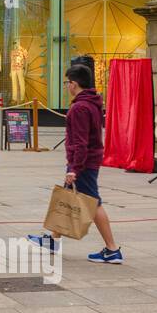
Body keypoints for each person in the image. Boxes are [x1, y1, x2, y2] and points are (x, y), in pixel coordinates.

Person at [28, 63, 123, 263]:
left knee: (94, 203)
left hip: (83, 163)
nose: (66, 87)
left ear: (74, 83)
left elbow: (81, 142)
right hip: (87, 160)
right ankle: (53, 241)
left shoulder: (80, 107)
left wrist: (74, 168)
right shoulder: (92, 102)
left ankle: (112, 248)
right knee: (67, 199)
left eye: (67, 82)